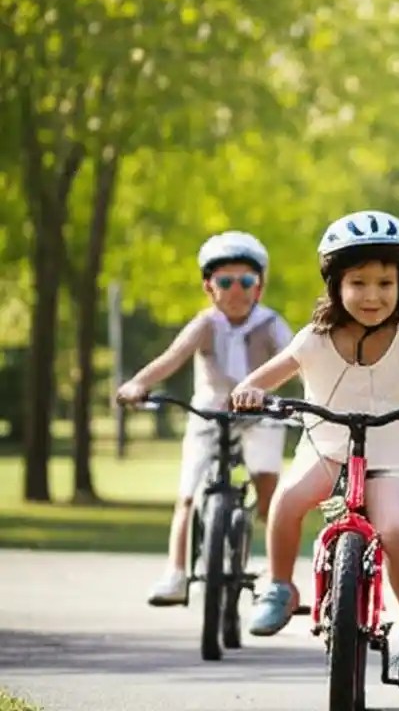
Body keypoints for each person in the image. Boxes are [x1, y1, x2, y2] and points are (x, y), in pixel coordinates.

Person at [229, 210, 399, 692]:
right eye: (359, 283)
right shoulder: (317, 338)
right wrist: (249, 392)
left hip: (390, 454)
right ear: (334, 285)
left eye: (385, 283)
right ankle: (281, 587)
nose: (372, 296)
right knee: (286, 501)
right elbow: (263, 377)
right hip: (327, 446)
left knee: (394, 531)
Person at [116, 231, 292, 607]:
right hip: (209, 410)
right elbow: (173, 356)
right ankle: (176, 573)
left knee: (269, 493)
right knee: (189, 494)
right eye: (225, 282)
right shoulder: (205, 324)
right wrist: (138, 384)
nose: (236, 291)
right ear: (209, 287)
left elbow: (299, 359)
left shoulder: (271, 323)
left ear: (259, 287)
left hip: (259, 412)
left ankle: (275, 574)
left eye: (246, 281)